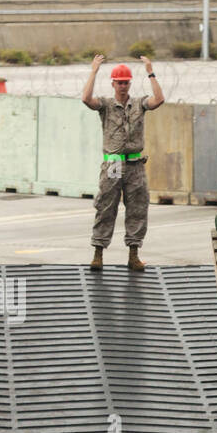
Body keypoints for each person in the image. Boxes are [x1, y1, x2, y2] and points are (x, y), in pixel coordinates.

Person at [81, 55, 164, 272]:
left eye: (126, 82)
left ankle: (133, 254)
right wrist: (93, 72)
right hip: (114, 163)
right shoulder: (107, 105)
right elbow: (86, 99)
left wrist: (150, 71)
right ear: (113, 84)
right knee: (106, 206)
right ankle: (98, 252)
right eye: (119, 82)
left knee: (137, 208)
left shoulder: (139, 103)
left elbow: (159, 100)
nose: (123, 86)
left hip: (135, 164)